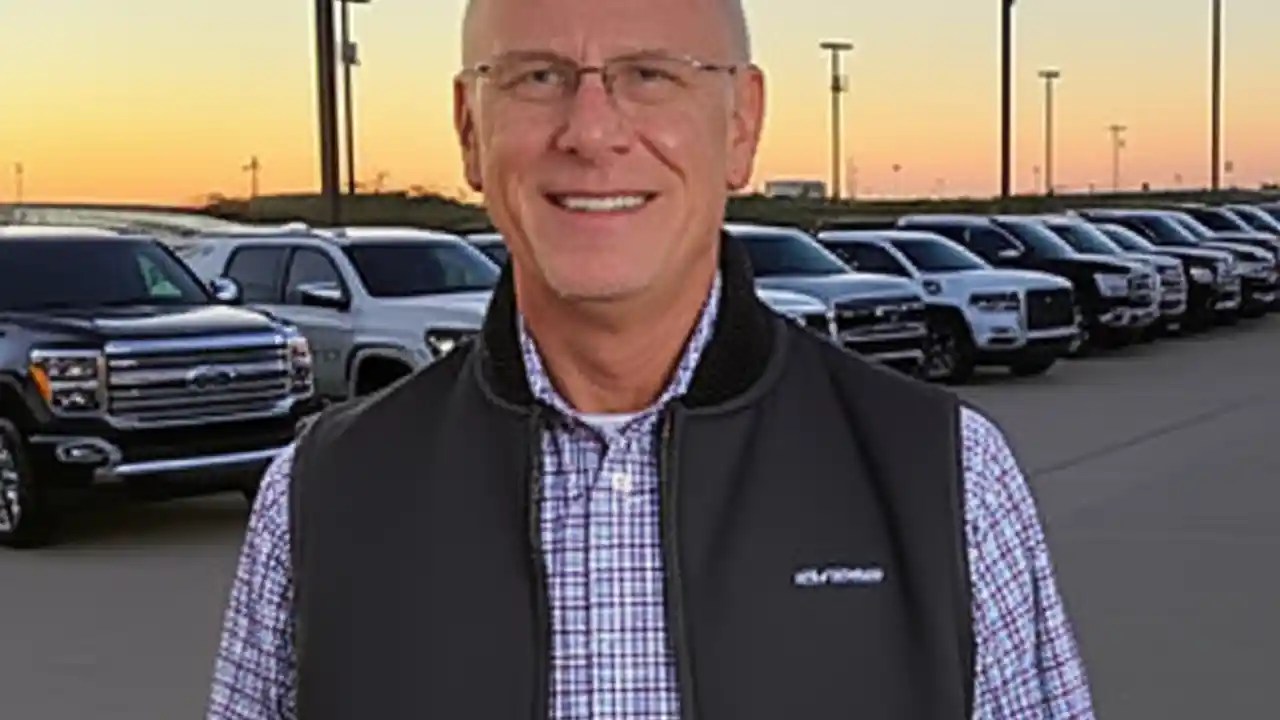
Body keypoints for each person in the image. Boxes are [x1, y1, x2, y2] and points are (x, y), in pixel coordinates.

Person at [207, 0, 1096, 717]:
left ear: (741, 123)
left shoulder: (944, 478)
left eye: (649, 75)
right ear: (469, 129)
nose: (592, 132)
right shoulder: (325, 494)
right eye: (538, 76)